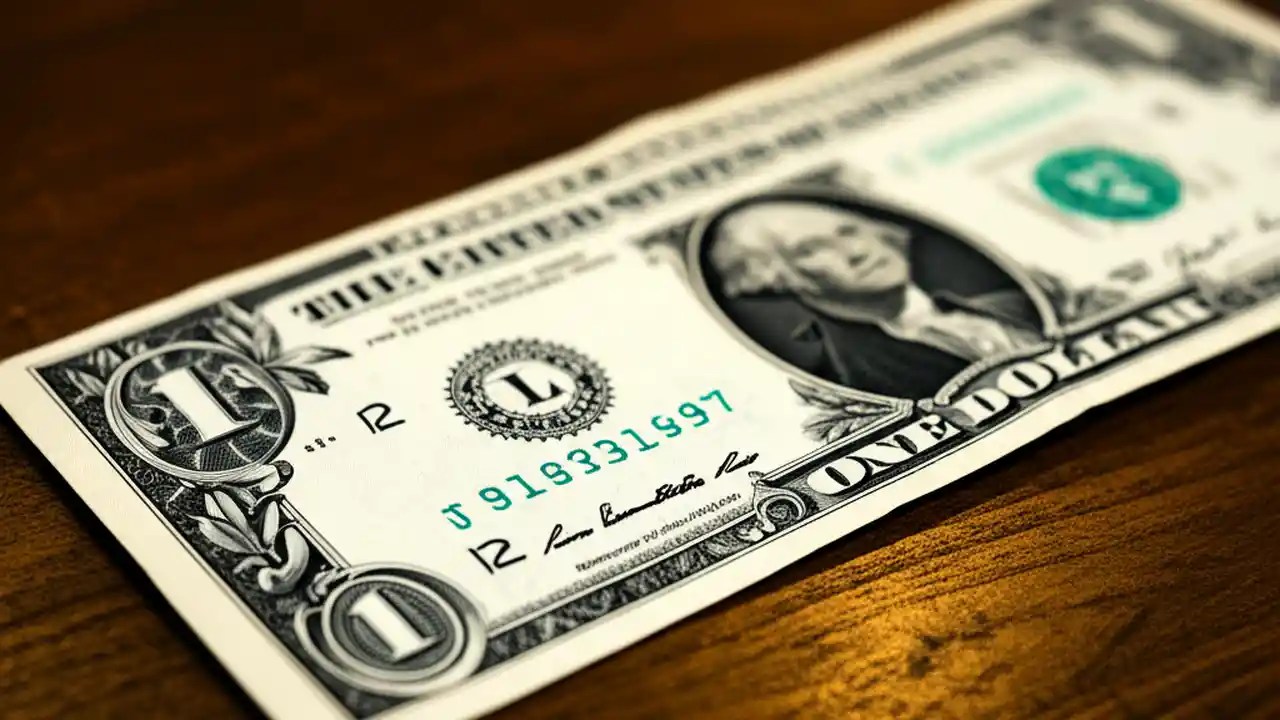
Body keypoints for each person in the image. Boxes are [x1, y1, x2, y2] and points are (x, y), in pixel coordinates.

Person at [707, 200, 1044, 399]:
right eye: (810, 250)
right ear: (772, 278)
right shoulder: (846, 384)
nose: (856, 252)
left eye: (849, 231)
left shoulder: (1015, 305)